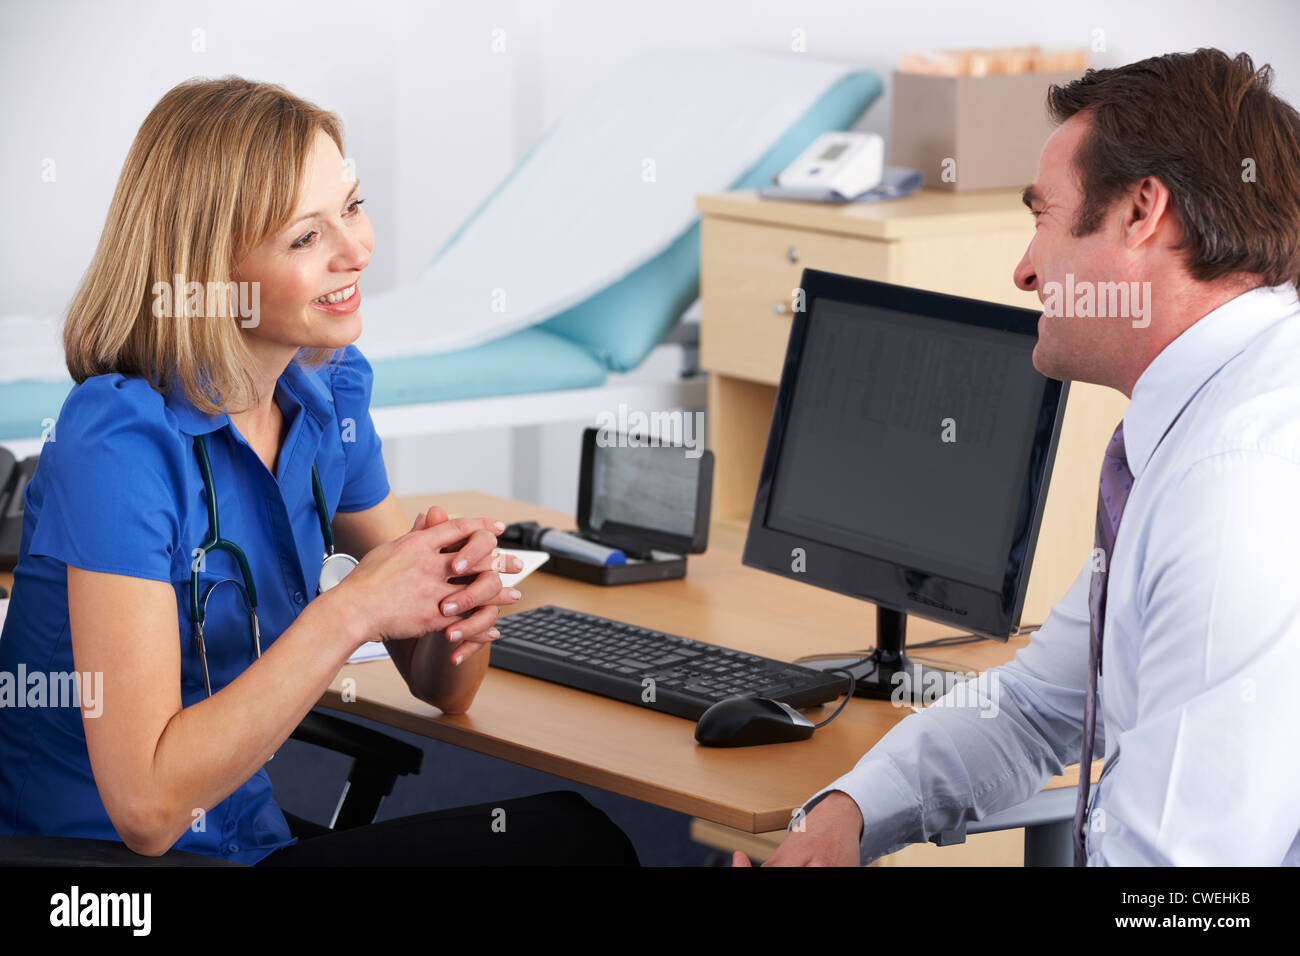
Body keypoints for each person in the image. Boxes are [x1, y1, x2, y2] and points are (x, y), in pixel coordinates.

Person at [0, 77, 637, 866]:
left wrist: (455, 601)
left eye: (353, 206)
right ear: (209, 274)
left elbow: (444, 689)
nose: (356, 249)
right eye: (306, 238)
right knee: (572, 845)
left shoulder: (322, 396)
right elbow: (148, 811)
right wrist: (351, 613)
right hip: (103, 879)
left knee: (570, 837)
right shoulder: (119, 442)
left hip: (245, 841)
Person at [738, 48, 1300, 867]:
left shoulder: (1236, 484)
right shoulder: (1203, 427)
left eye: (1043, 214)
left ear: (1144, 211)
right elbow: (1042, 706)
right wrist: (847, 814)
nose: (1026, 268)